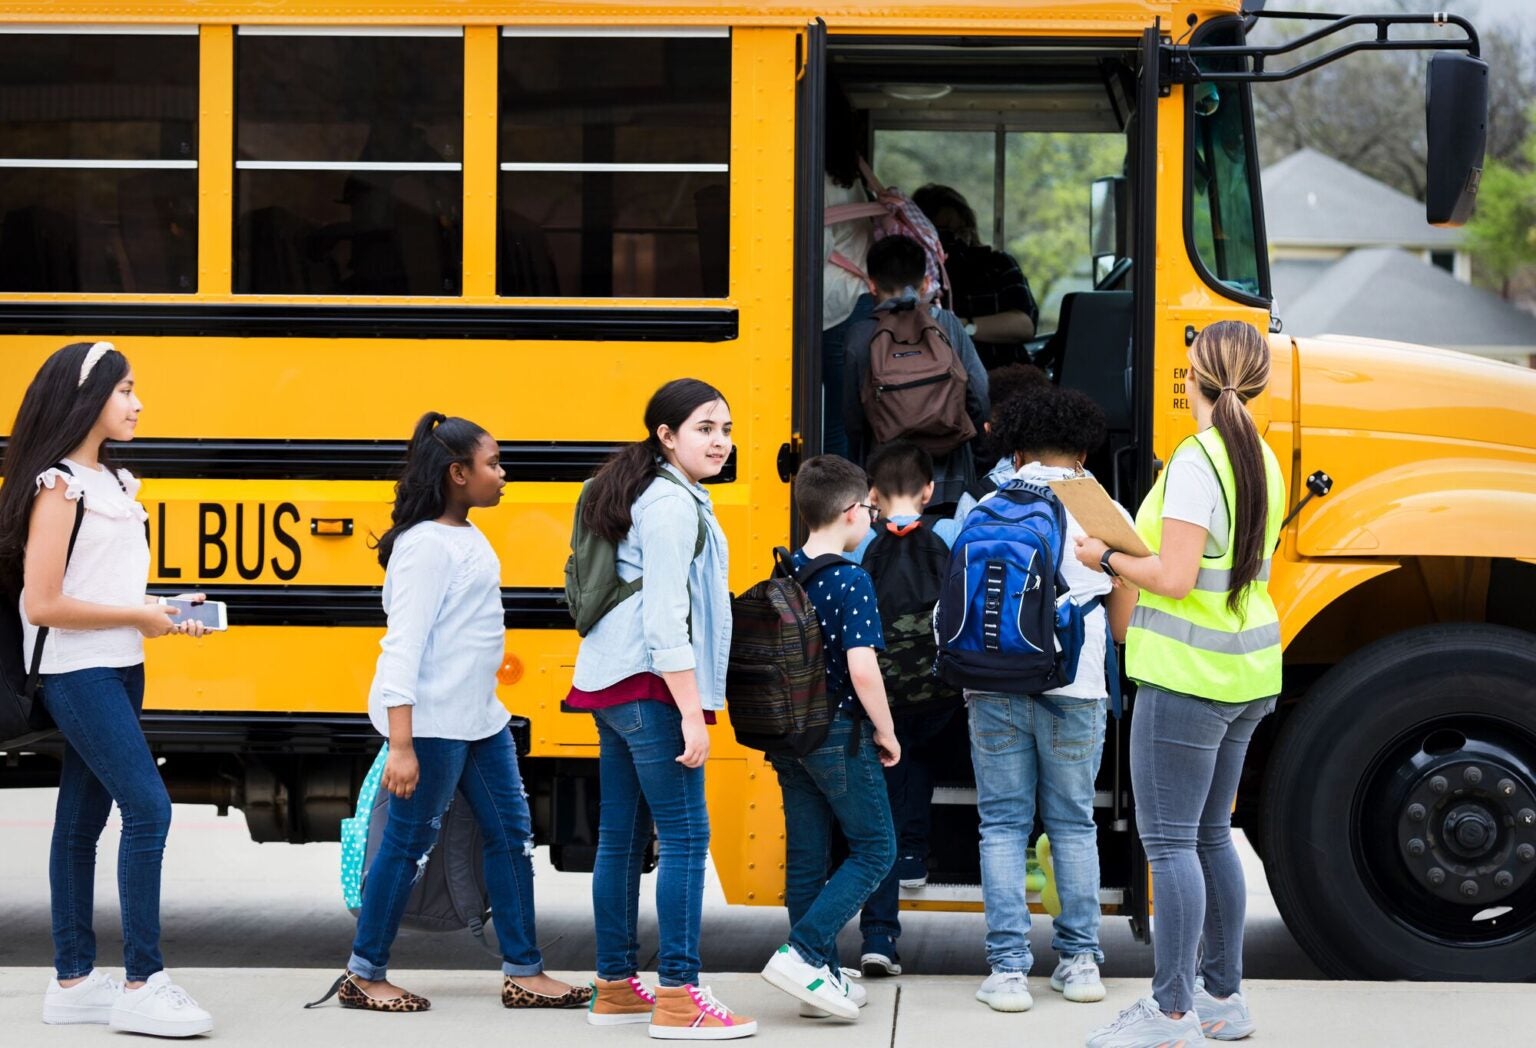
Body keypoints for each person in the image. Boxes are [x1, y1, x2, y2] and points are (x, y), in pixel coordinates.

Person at [319, 412, 590, 1014]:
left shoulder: (465, 535)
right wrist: (402, 743)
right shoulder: (424, 548)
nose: (503, 474)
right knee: (407, 846)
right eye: (492, 464)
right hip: (434, 724)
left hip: (481, 720)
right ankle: (363, 974)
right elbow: (401, 647)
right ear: (457, 473)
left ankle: (524, 971)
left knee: (512, 837)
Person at [1075, 320, 1285, 1048]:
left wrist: (1106, 555)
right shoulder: (1260, 455)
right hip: (1246, 670)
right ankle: (1222, 998)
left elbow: (1174, 575)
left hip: (1188, 678)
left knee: (1170, 846)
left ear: (1191, 377)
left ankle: (1170, 1015)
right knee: (1209, 838)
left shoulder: (1199, 459)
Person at [0, 341, 214, 1037]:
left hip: (122, 666)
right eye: (125, 391)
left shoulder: (118, 487)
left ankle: (73, 983)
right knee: (149, 809)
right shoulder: (58, 486)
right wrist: (138, 615)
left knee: (80, 823)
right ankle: (143, 982)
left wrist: (163, 610)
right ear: (86, 399)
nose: (138, 403)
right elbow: (43, 603)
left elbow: (107, 589)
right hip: (77, 670)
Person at [565, 379, 755, 1039]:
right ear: (666, 436)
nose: (721, 442)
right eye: (706, 428)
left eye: (726, 429)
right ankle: (678, 994)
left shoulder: (647, 492)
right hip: (652, 687)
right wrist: (691, 713)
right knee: (684, 839)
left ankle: (616, 985)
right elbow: (666, 618)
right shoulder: (672, 505)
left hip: (612, 683)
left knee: (621, 838)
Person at [965, 384, 1137, 1014]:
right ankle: (1080, 960)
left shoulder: (985, 506)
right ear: (1082, 456)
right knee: (1071, 824)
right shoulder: (1102, 512)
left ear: (1015, 452)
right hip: (1077, 683)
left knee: (1003, 825)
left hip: (993, 682)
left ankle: (1008, 971)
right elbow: (1120, 626)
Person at [759, 454, 900, 1020]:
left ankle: (814, 972)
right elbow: (862, 668)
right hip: (838, 733)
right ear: (848, 512)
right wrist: (887, 732)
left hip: (787, 735)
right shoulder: (852, 579)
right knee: (876, 848)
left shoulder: (783, 573)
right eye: (869, 507)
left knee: (808, 856)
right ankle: (801, 953)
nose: (872, 515)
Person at [851, 440, 961, 977]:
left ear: (870, 495)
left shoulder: (859, 544)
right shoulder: (949, 535)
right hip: (938, 695)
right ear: (929, 491)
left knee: (884, 805)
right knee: (922, 761)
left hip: (880, 699)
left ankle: (878, 937)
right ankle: (917, 851)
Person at [842, 234, 990, 508]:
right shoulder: (947, 324)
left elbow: (853, 420)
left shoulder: (860, 336)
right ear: (924, 284)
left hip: (888, 478)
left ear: (871, 285)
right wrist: (982, 460)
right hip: (953, 477)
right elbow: (979, 395)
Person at [912, 184, 1041, 371]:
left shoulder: (997, 264)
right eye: (946, 233)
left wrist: (963, 326)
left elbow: (1024, 325)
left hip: (1003, 371)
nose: (957, 240)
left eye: (962, 230)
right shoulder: (919, 275)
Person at [821, 85, 875, 458]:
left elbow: (816, 249)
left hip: (831, 306)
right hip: (862, 297)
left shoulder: (812, 178)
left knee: (832, 419)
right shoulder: (855, 173)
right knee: (853, 412)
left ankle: (835, 506)